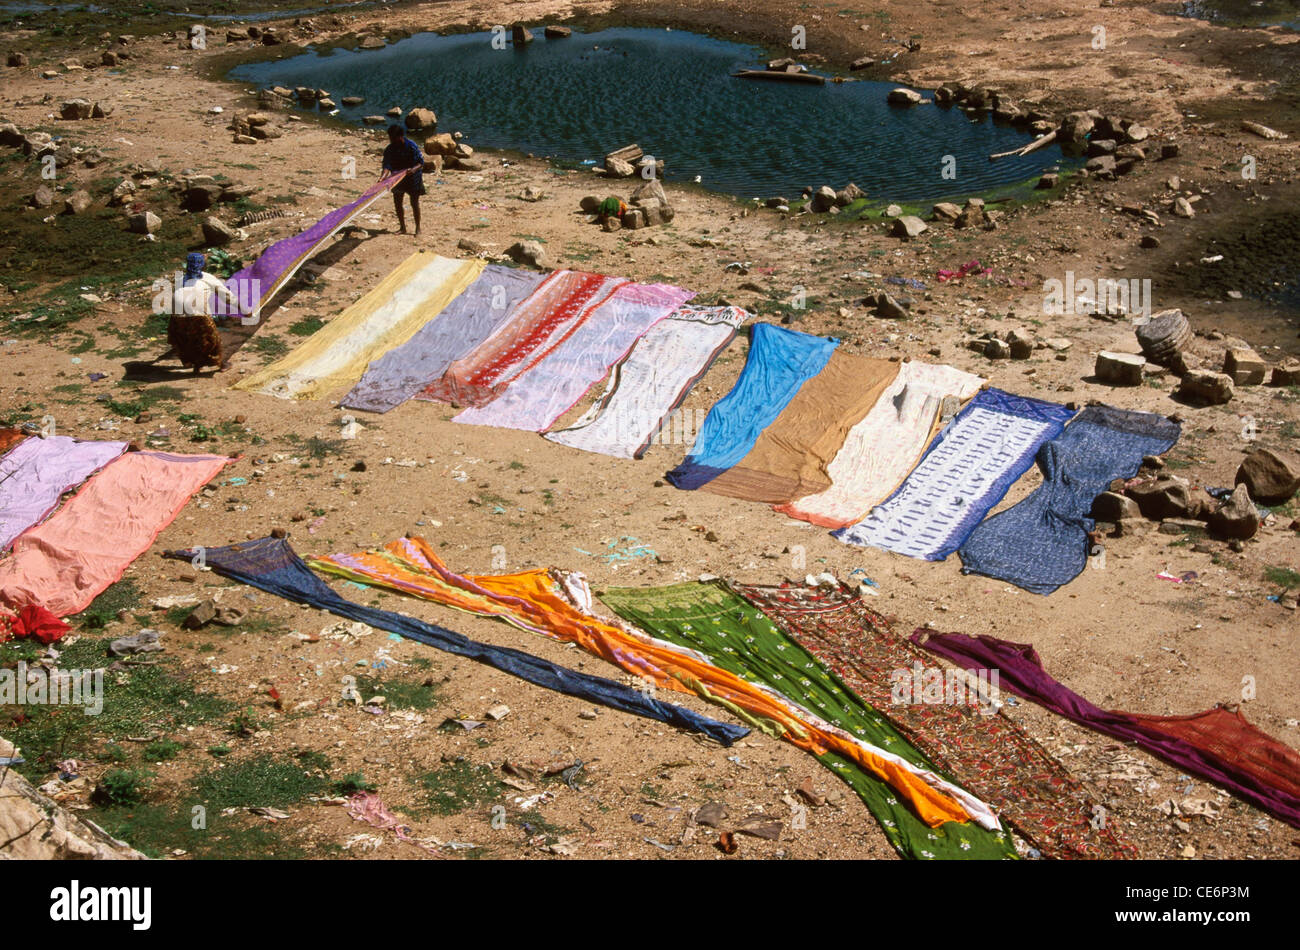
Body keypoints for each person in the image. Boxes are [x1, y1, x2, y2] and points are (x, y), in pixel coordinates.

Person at [166, 252, 241, 374]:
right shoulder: (206, 277)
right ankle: (221, 364)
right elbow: (227, 296)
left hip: (177, 314)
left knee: (189, 338)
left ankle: (196, 365)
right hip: (198, 315)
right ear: (201, 265)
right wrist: (243, 309)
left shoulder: (181, 278)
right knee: (211, 339)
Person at [381, 124, 426, 235]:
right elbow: (387, 165)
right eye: (390, 138)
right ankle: (402, 227)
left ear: (400, 137)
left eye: (393, 138)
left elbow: (421, 162)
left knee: (414, 203)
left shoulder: (411, 146)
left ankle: (418, 228)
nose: (391, 140)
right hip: (397, 178)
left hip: (413, 177)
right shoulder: (390, 149)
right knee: (397, 202)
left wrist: (413, 170)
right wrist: (383, 177)